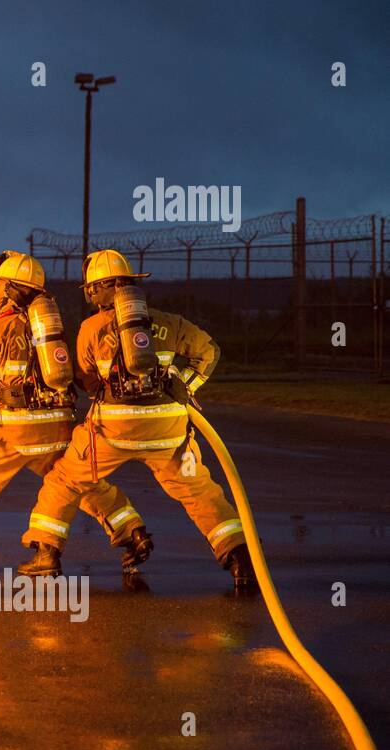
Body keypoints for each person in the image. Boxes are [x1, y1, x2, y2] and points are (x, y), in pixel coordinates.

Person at [18, 249, 256, 589]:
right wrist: (183, 386)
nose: (89, 295)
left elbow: (87, 380)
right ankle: (240, 558)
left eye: (91, 288)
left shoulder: (92, 328)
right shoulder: (170, 322)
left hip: (112, 431)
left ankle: (46, 555)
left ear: (102, 289)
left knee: (65, 481)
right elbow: (209, 352)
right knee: (198, 491)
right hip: (169, 432)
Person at [0, 251, 152, 593]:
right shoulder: (51, 328)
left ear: (9, 290)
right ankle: (132, 532)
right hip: (56, 425)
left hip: (12, 430)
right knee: (77, 483)